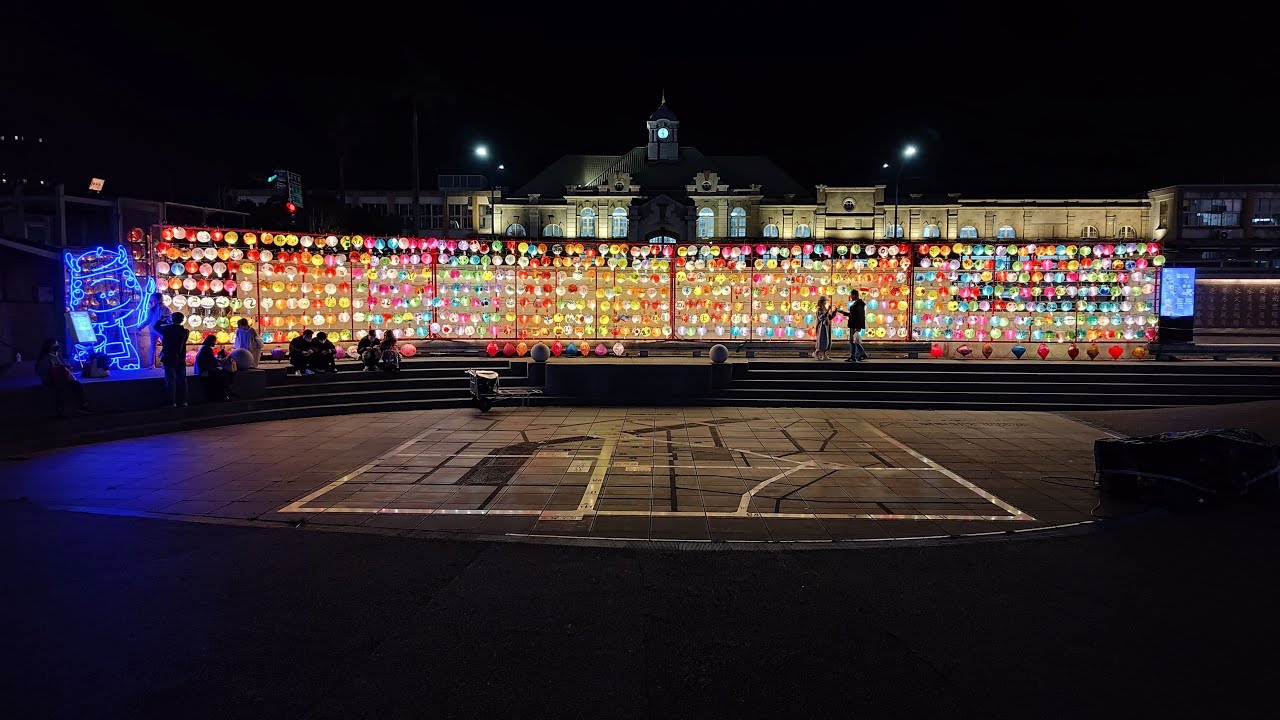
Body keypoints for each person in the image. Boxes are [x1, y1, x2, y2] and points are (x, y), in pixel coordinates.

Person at [35, 338, 89, 418]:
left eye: (57, 344)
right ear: (49, 346)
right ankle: (60, 411)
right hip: (50, 379)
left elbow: (62, 365)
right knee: (59, 389)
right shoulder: (45, 358)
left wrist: (66, 367)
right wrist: (54, 368)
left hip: (62, 377)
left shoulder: (57, 355)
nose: (57, 346)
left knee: (78, 385)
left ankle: (82, 406)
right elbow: (41, 371)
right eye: (55, 344)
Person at [154, 311, 190, 406]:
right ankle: (184, 401)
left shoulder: (167, 329)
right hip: (181, 357)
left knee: (170, 379)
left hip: (169, 357)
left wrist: (161, 320)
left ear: (172, 319)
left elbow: (155, 327)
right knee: (182, 379)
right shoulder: (185, 331)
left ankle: (172, 401)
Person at [195, 335, 232, 401]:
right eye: (214, 341)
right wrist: (220, 366)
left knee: (222, 371)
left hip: (203, 369)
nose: (215, 343)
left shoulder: (204, 348)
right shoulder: (207, 349)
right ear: (211, 341)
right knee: (224, 374)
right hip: (205, 371)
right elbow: (213, 362)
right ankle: (224, 395)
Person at [838, 289, 869, 363]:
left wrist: (857, 327)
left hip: (855, 325)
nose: (850, 297)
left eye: (851, 295)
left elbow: (857, 316)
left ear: (854, 295)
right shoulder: (858, 304)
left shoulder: (859, 304)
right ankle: (861, 354)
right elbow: (852, 314)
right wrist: (843, 313)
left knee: (852, 341)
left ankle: (853, 356)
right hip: (855, 324)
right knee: (854, 341)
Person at [145, 292, 169, 369]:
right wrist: (141, 326)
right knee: (152, 346)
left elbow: (168, 319)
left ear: (158, 299)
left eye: (153, 298)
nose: (152, 300)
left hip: (162, 330)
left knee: (166, 346)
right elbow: (148, 320)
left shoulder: (165, 309)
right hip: (153, 330)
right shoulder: (152, 309)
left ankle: (165, 363)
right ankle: (151, 364)